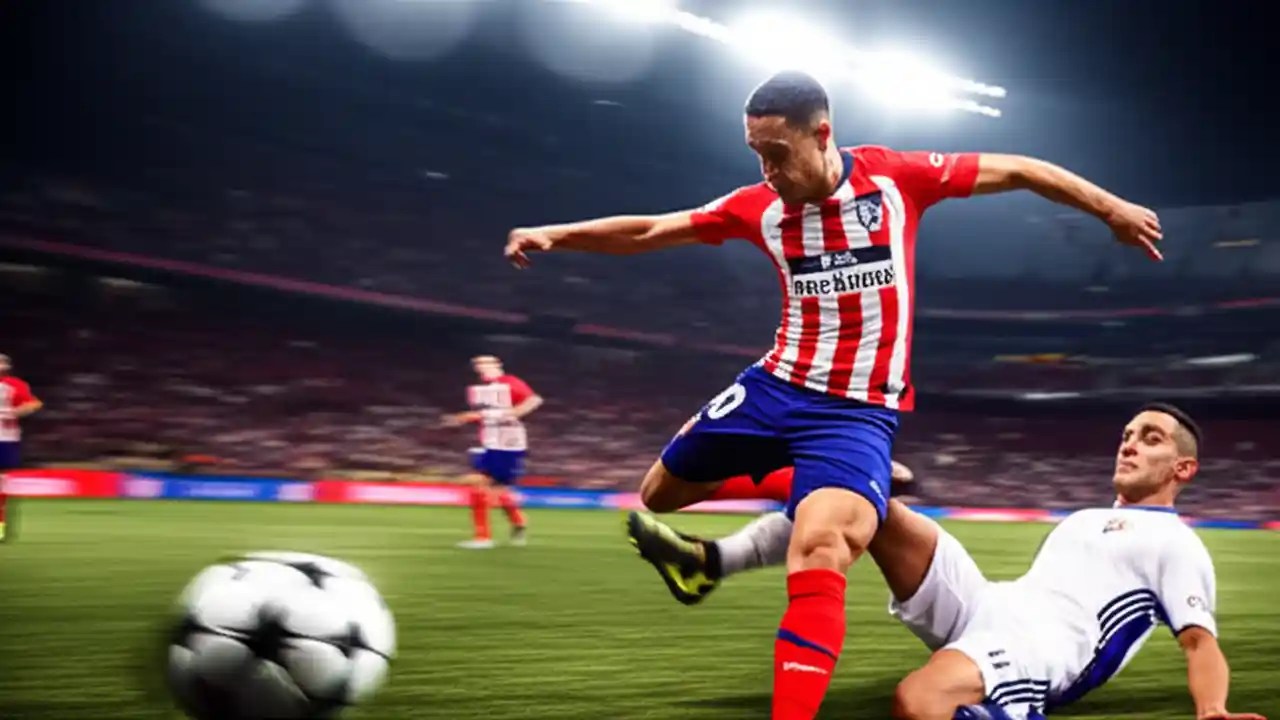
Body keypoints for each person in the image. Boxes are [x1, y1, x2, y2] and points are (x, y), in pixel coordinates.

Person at [504, 69, 1164, 719]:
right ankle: (852, 487)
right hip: (774, 385)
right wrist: (554, 236)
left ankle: (849, 495)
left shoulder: (899, 180)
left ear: (823, 135)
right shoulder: (758, 208)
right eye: (756, 156)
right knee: (661, 492)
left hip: (855, 413)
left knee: (819, 548)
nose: (767, 172)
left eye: (777, 155)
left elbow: (1018, 169)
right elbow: (651, 230)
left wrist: (1111, 209)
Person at [628, 404, 1265, 720]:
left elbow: (1198, 642)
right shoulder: (1082, 518)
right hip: (990, 604)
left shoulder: (1178, 544)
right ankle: (713, 561)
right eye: (1128, 434)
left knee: (917, 701)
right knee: (858, 502)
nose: (1130, 444)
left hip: (1040, 651)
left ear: (1183, 469)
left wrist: (1211, 711)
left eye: (1149, 440)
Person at [441, 355, 542, 549]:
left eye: (486, 362)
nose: (481, 366)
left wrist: (509, 413)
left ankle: (485, 537)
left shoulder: (509, 382)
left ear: (498, 365)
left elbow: (534, 400)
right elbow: (483, 416)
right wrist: (464, 419)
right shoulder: (483, 390)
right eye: (478, 364)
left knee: (487, 487)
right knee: (489, 488)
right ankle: (515, 524)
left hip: (508, 443)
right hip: (489, 441)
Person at [0, 353, 43, 543]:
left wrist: (16, 412)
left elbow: (34, 403)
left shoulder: (15, 384)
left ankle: (1, 528)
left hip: (5, 440)